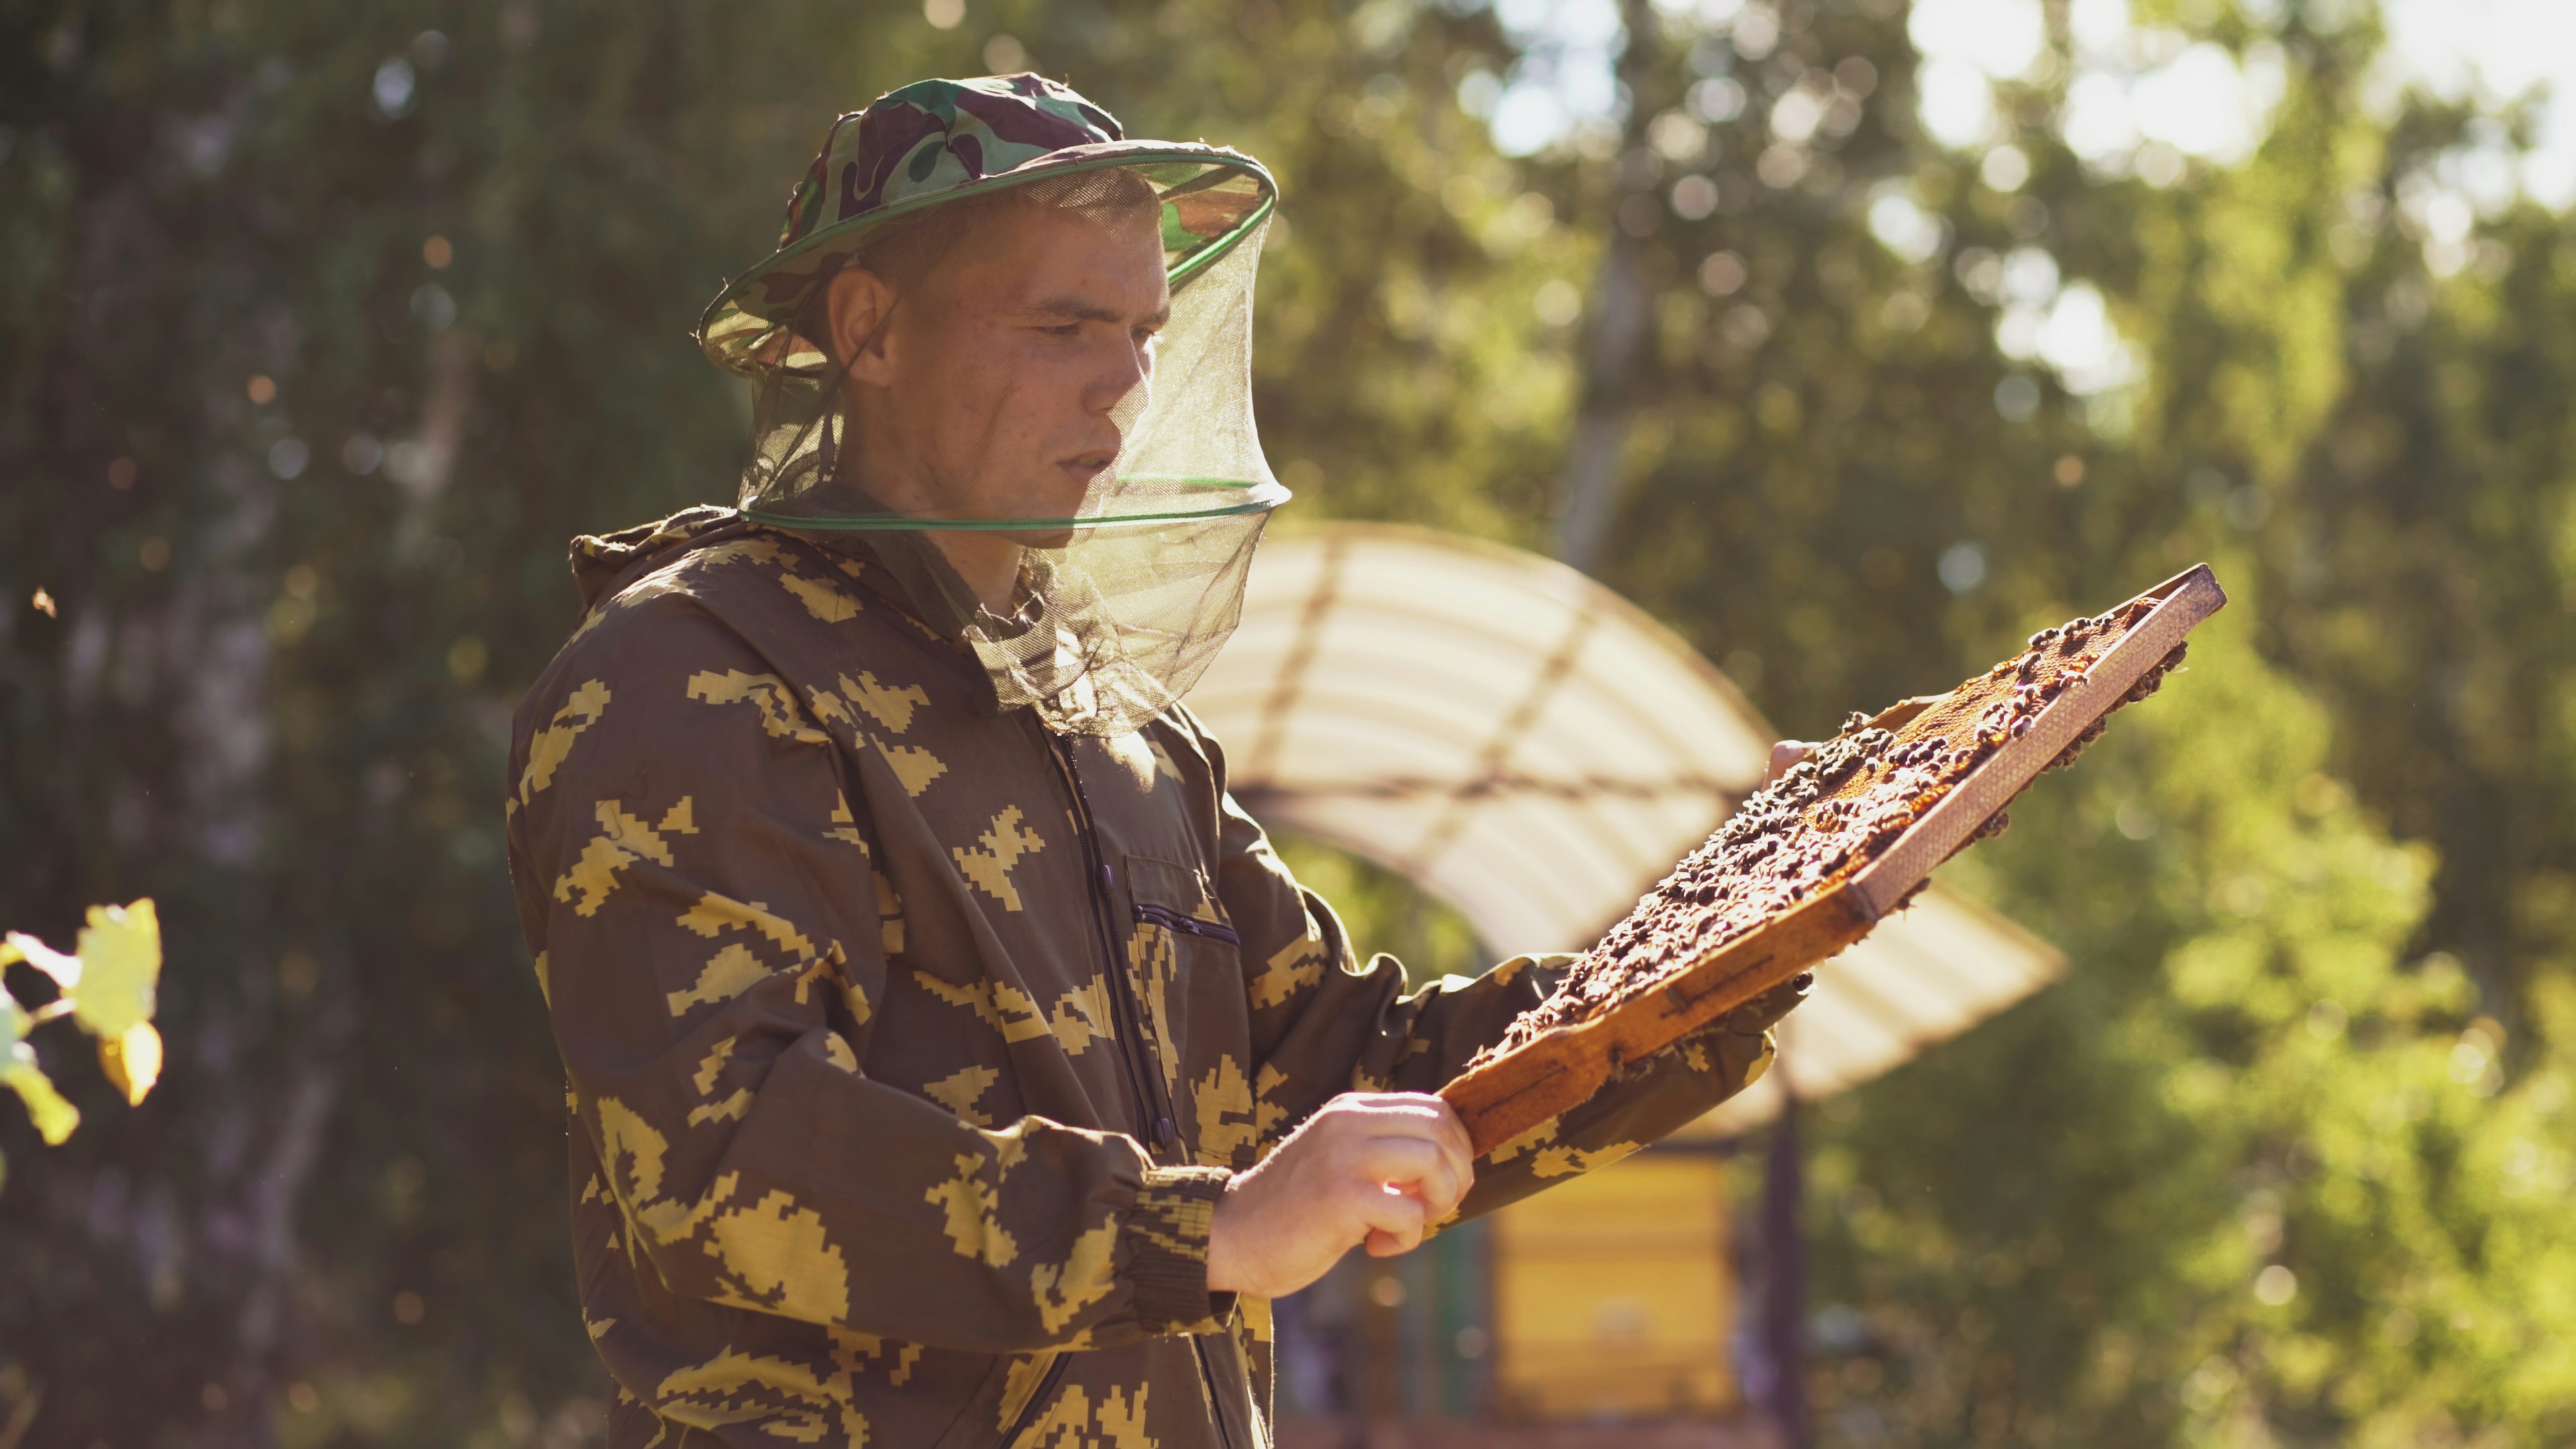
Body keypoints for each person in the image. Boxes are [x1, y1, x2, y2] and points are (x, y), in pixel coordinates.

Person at [504, 73, 1806, 1448]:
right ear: (870, 329)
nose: (1125, 381)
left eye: (1141, 332)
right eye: (1064, 324)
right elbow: (723, 1156)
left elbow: (1361, 1075)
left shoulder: (1119, 727)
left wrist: (1734, 948)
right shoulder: (694, 674)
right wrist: (1207, 1231)